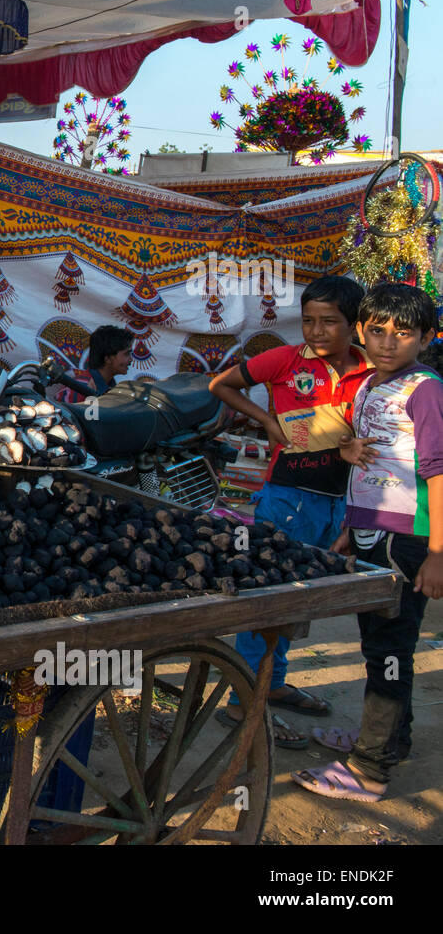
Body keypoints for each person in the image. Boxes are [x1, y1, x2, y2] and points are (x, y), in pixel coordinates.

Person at [293, 283, 443, 801]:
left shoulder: (424, 389)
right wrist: (351, 529)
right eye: (377, 331)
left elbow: (440, 472)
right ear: (362, 330)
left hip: (409, 540)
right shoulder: (371, 386)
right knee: (379, 647)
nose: (387, 342)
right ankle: (385, 742)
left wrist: (440, 554)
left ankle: (370, 771)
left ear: (427, 336)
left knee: (391, 651)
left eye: (403, 333)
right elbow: (377, 464)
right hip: (371, 532)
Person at [208, 275, 371, 748]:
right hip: (286, 495)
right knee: (267, 591)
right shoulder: (285, 359)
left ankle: (272, 684)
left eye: (329, 323)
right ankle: (242, 698)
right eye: (308, 322)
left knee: (297, 595)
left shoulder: (368, 368)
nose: (316, 332)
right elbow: (222, 384)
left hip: (338, 501)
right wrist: (266, 420)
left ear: (355, 325)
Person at [54, 325, 133, 404]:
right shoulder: (78, 388)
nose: (131, 359)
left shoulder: (112, 388)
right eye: (127, 354)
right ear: (108, 358)